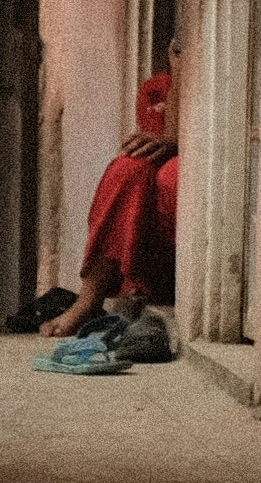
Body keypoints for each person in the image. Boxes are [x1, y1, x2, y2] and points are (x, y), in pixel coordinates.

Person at [27, 75, 181, 368]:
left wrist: (177, 137)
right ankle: (90, 298)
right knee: (129, 169)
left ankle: (136, 289)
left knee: (171, 176)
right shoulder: (162, 89)